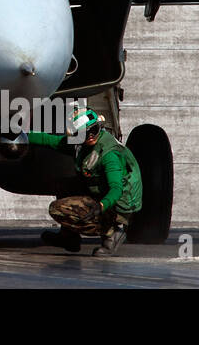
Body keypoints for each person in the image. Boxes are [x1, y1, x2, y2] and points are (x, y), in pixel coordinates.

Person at [28, 108, 142, 256]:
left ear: (99, 126)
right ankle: (69, 237)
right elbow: (50, 141)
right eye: (83, 133)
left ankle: (112, 233)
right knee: (64, 186)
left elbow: (116, 188)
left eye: (93, 130)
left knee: (57, 209)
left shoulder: (109, 155)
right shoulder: (81, 144)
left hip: (119, 203)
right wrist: (21, 135)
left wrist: (100, 206)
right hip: (102, 190)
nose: (90, 136)